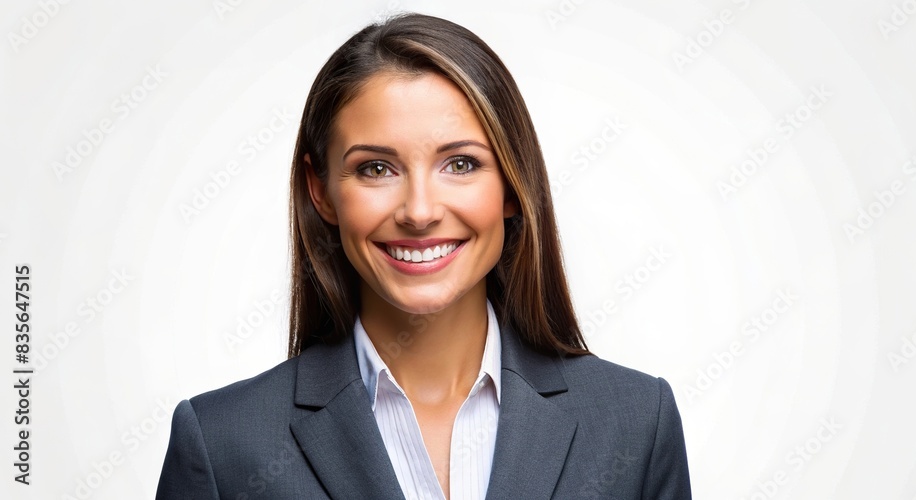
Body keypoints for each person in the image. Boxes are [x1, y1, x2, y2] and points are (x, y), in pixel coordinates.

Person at [156, 12, 690, 500]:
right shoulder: (222, 445)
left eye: (460, 164)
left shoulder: (637, 423)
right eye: (376, 169)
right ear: (321, 191)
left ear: (510, 184)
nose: (419, 211)